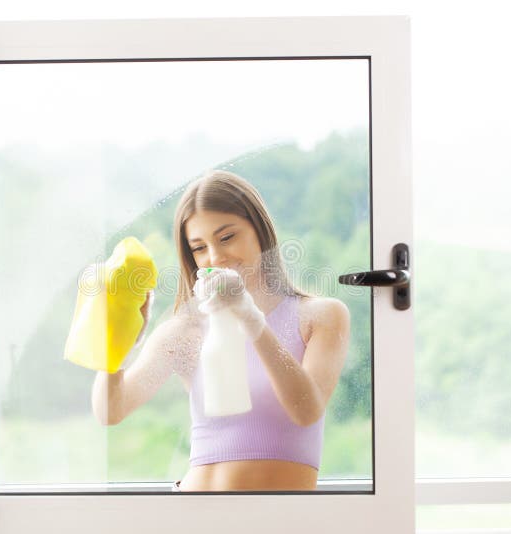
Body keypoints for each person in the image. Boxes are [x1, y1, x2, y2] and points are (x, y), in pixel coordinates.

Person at [92, 170, 350, 491]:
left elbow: (306, 410)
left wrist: (249, 318)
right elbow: (110, 411)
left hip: (281, 520)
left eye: (227, 237)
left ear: (260, 230)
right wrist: (119, 341)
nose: (215, 257)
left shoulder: (319, 316)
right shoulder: (186, 330)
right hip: (193, 514)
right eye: (199, 248)